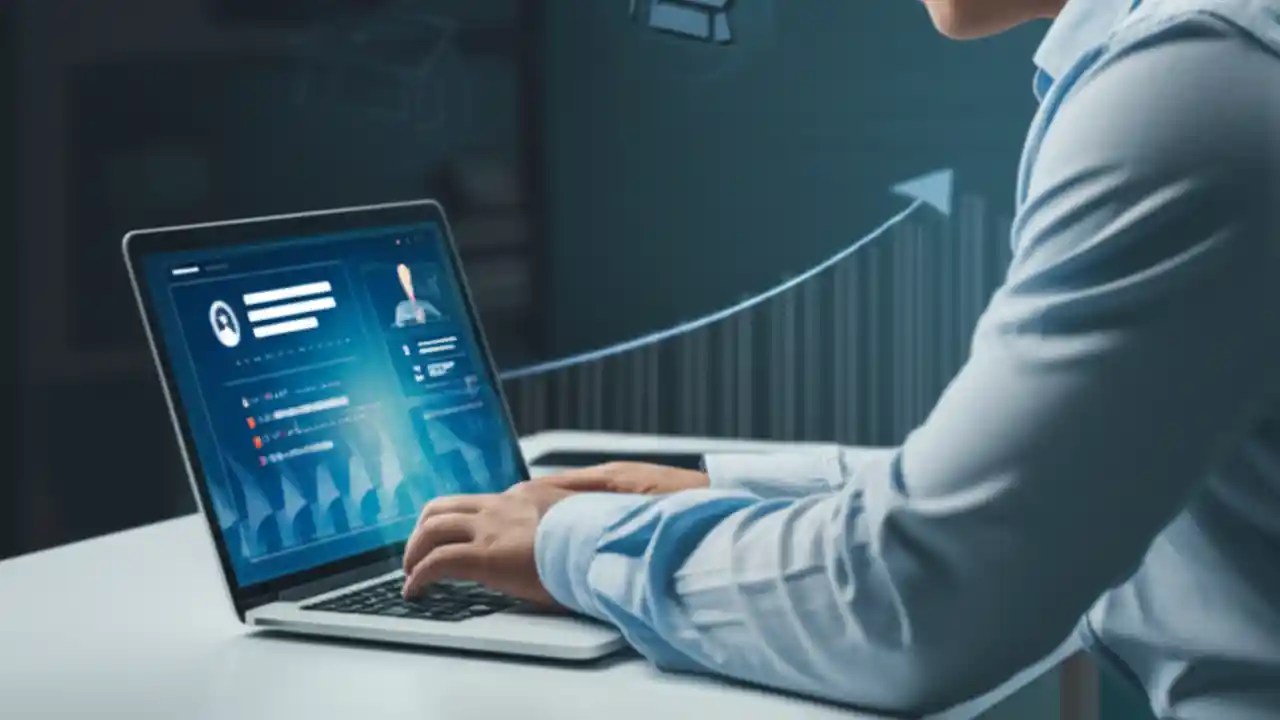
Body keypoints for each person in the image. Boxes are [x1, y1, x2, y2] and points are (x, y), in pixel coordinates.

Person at [401, 0, 1280, 716]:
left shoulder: (1190, 82)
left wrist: (568, 546)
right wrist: (730, 498)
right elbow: (1054, 498)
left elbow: (925, 603)